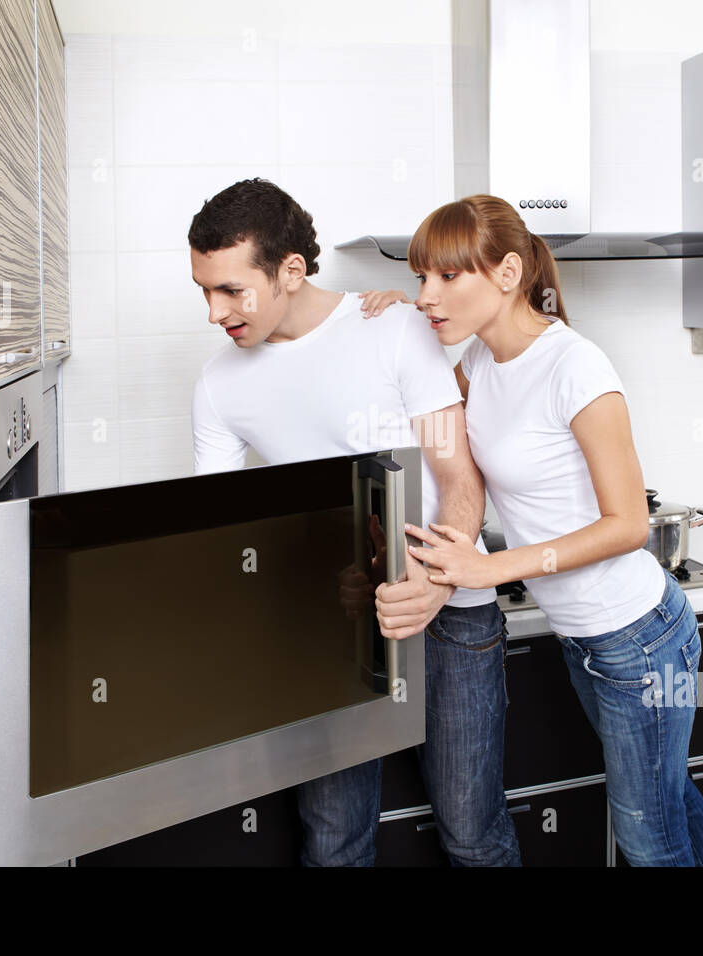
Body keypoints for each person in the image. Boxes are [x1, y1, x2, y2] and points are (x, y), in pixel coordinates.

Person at [373, 194, 703, 866]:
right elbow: (421, 394)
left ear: (508, 274)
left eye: (448, 277)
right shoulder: (480, 362)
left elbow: (628, 525)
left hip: (638, 640)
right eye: (421, 277)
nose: (428, 295)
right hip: (586, 639)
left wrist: (492, 568)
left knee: (648, 837)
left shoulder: (576, 366)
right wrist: (382, 317)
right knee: (669, 802)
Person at [188, 178, 521, 866]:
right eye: (205, 291)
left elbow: (460, 479)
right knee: (334, 842)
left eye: (231, 290)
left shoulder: (395, 327)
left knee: (473, 836)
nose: (215, 313)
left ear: (290, 270)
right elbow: (223, 529)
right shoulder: (218, 384)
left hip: (452, 615)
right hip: (330, 624)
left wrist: (433, 584)